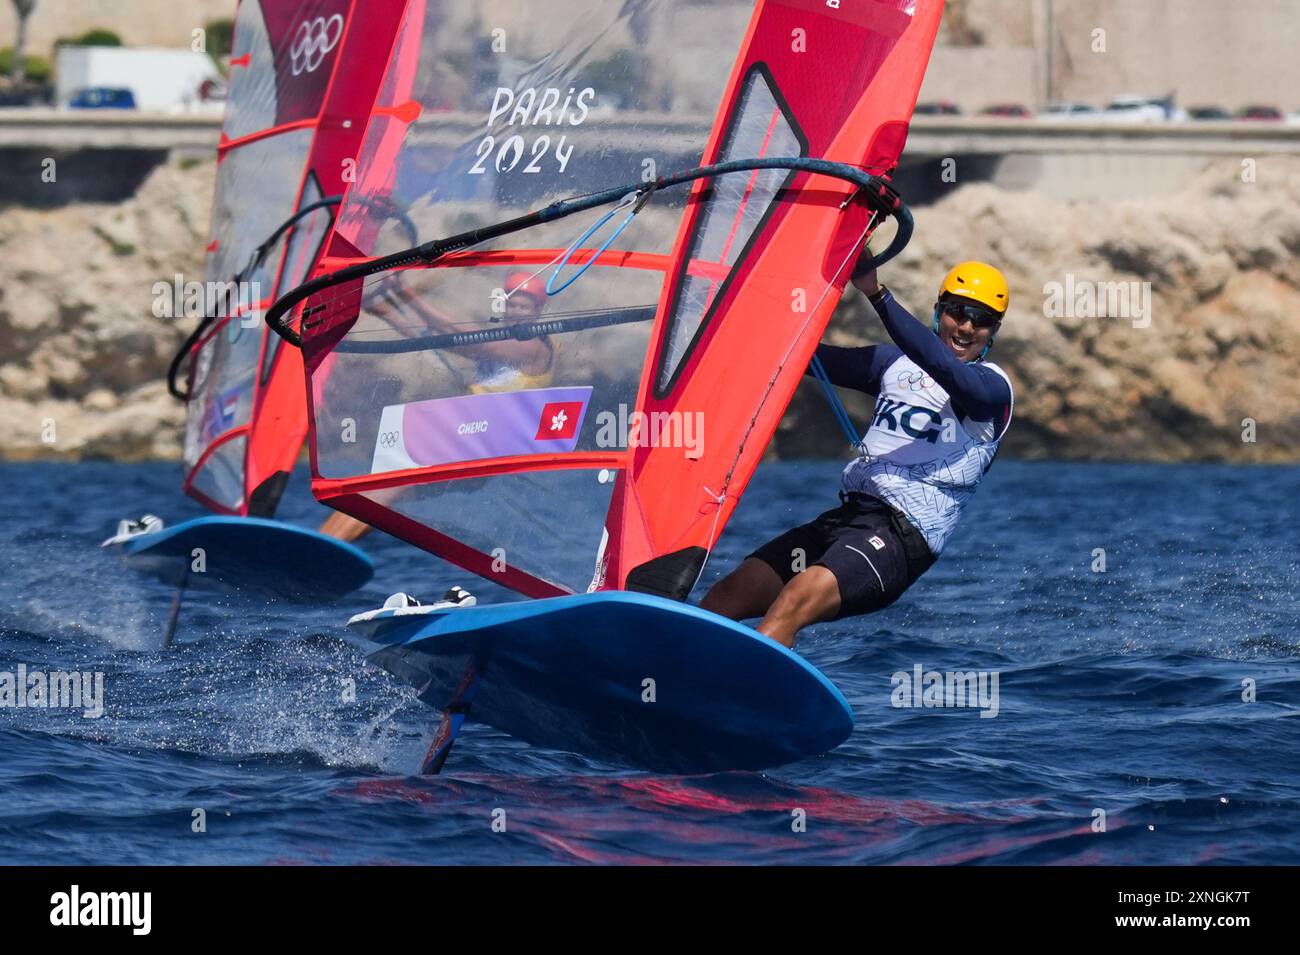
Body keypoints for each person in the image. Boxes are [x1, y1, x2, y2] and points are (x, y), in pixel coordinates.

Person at [699, 253, 1015, 648]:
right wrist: (734, 311)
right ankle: (667, 678)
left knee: (794, 600)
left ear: (993, 331)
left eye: (981, 320)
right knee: (728, 594)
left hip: (900, 540)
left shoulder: (992, 390)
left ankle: (739, 699)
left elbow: (944, 369)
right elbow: (801, 354)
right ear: (938, 312)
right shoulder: (892, 364)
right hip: (848, 519)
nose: (966, 326)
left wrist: (876, 293)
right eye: (957, 311)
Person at [318, 270, 556, 543]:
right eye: (511, 304)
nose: (515, 312)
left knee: (392, 482)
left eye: (524, 306)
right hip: (470, 439)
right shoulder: (505, 339)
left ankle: (328, 544)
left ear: (539, 310)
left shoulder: (533, 348)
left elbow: (460, 337)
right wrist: (386, 311)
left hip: (484, 444)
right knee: (387, 487)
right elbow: (432, 338)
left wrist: (407, 294)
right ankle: (326, 544)